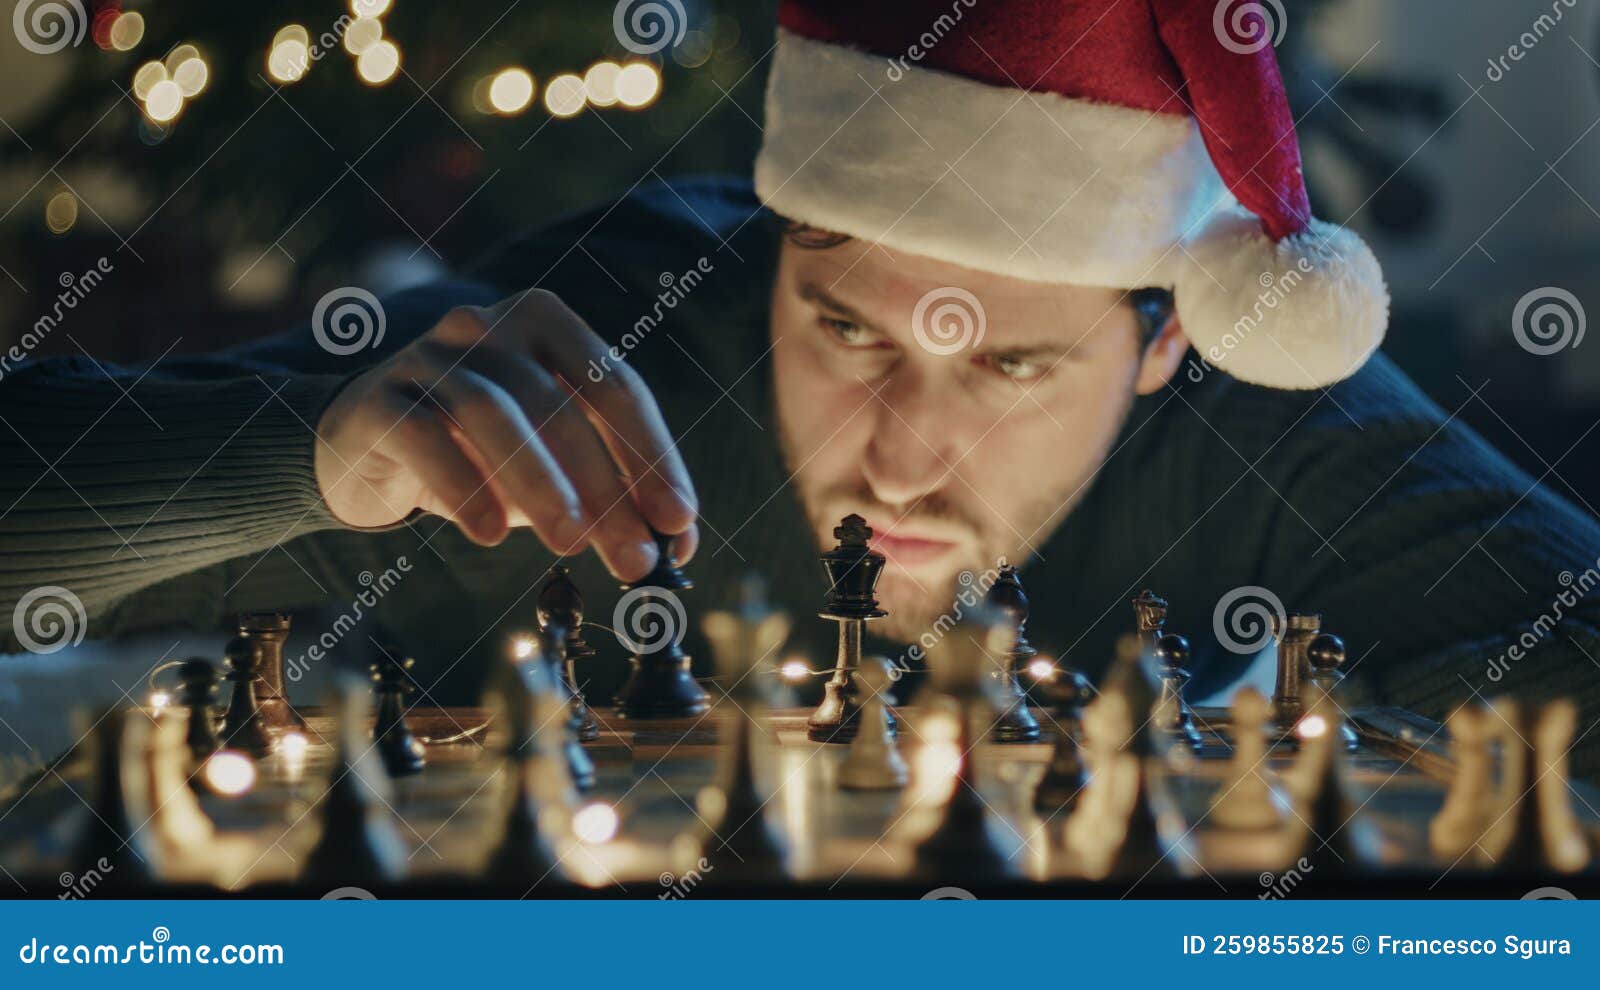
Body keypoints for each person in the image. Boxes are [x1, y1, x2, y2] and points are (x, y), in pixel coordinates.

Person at [3, 1, 1597, 772]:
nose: (900, 460)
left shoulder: (1253, 408)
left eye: (1017, 364)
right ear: (772, 253)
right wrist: (305, 457)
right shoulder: (613, 337)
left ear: (1169, 338)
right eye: (845, 328)